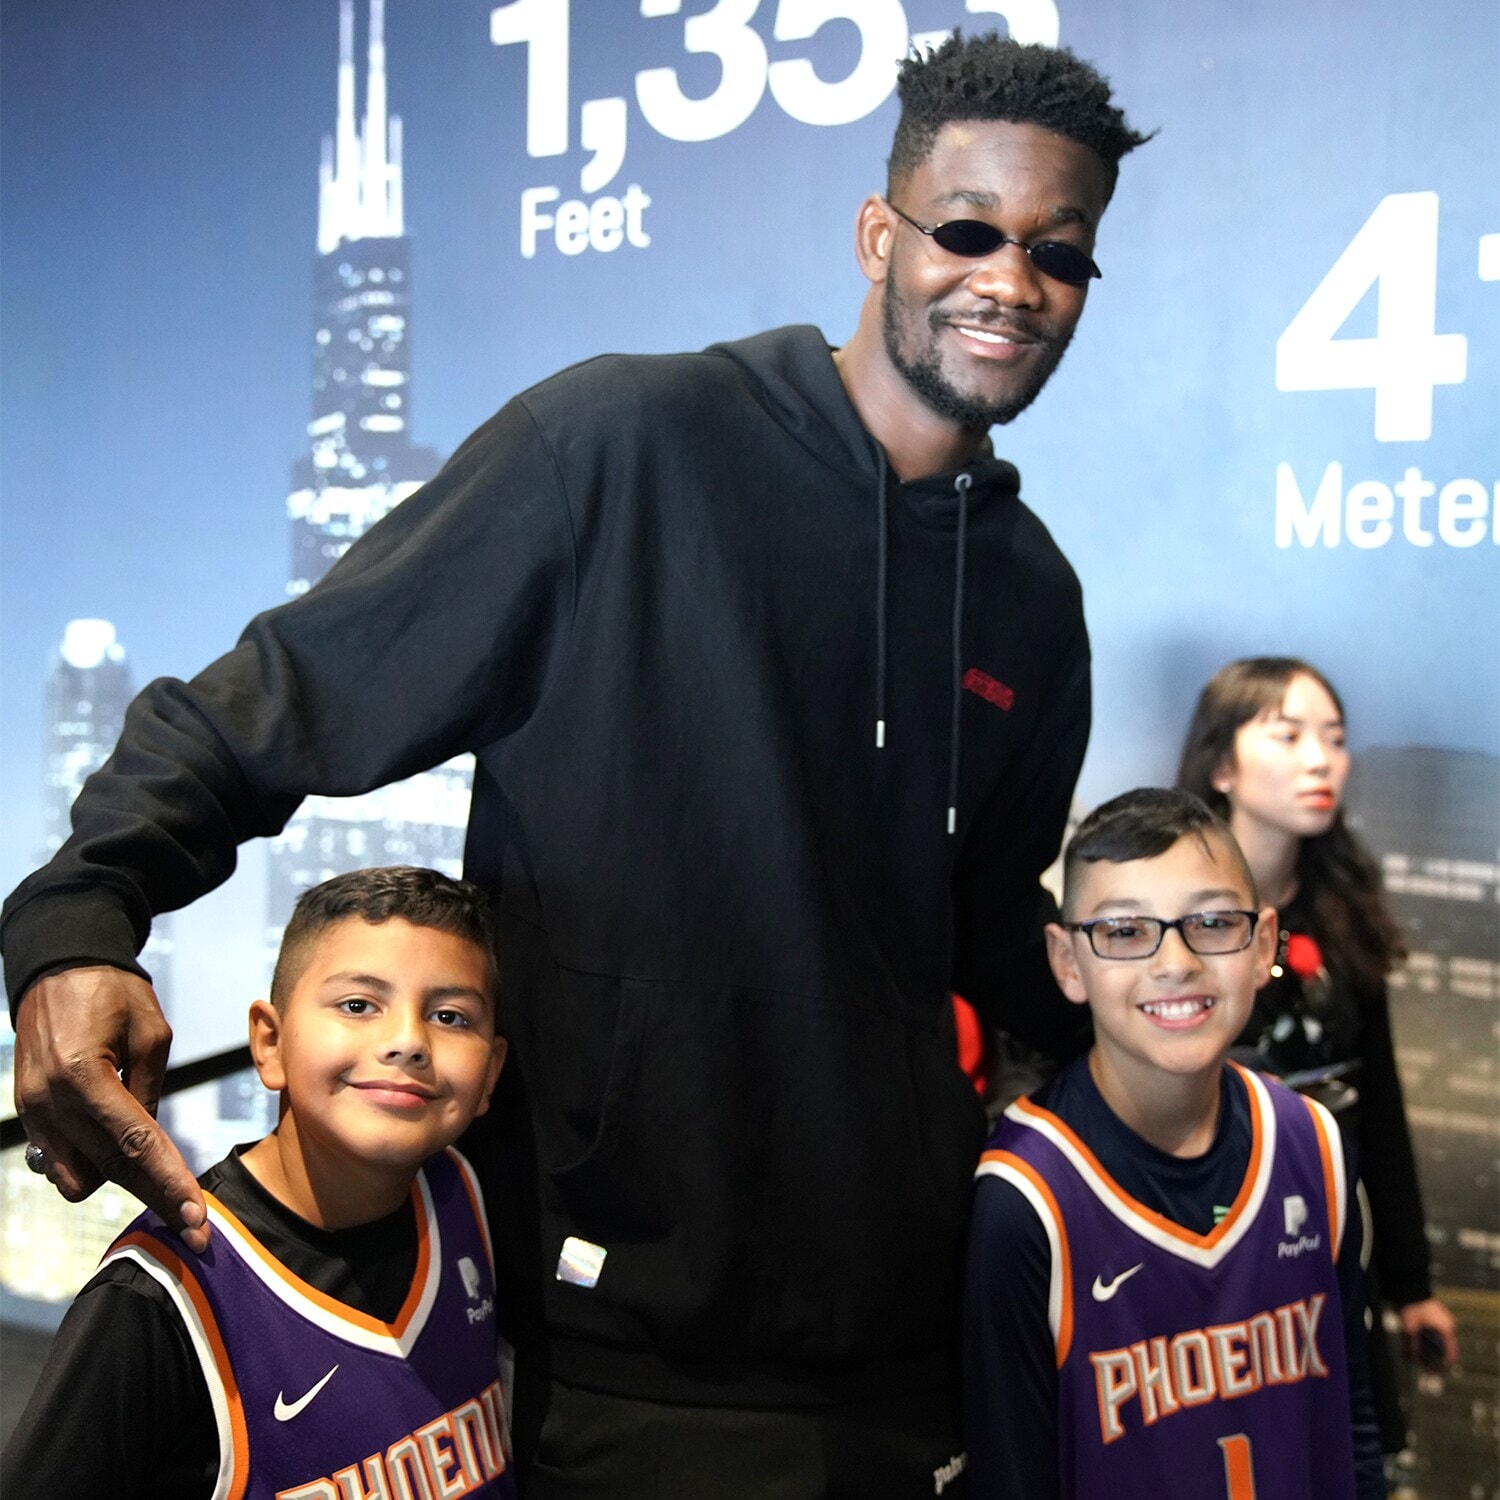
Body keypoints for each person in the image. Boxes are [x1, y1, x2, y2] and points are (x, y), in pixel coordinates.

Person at [2, 33, 1151, 1494]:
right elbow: (273, 700)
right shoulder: (620, 445)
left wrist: (1165, 1011)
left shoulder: (1032, 601)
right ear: (881, 233)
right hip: (601, 1357)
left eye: (1059, 253)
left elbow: (988, 940)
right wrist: (74, 921)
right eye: (971, 230)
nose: (1012, 280)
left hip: (894, 1358)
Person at [1, 866, 512, 1498]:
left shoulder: (461, 1192)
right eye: (358, 1005)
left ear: (490, 1073)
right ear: (268, 1043)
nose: (407, 1040)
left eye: (450, 1016)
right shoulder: (166, 1296)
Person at [962, 788, 1385, 1498]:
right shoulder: (1024, 1201)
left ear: (1262, 944)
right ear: (1068, 962)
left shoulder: (1315, 1143)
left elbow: (1353, 1423)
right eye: (1125, 932)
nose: (1176, 961)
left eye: (1213, 922)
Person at [1175, 656, 1459, 1454]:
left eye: (1333, 739)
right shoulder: (1162, 914)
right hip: (1191, 1264)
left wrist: (1412, 1285)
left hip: (1324, 1261)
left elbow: (1383, 1112)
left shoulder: (1342, 912)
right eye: (1289, 734)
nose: (1319, 759)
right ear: (1223, 762)